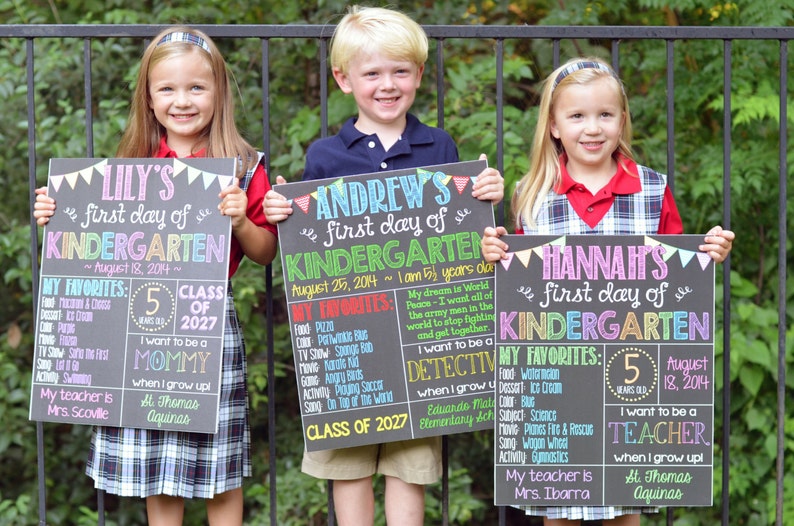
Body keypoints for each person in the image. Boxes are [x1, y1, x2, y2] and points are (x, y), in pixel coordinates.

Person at [264, 6, 503, 525]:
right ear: (344, 79)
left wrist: (486, 196)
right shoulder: (325, 156)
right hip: (346, 344)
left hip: (420, 339)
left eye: (400, 71)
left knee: (409, 471)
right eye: (372, 73)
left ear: (419, 75)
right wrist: (282, 213)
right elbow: (308, 248)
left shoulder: (440, 146)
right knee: (347, 471)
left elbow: (467, 239)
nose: (387, 85)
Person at [33, 26, 278, 526]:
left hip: (206, 324)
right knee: (158, 472)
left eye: (196, 87)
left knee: (218, 467)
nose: (182, 101)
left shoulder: (244, 166)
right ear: (148, 98)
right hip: (135, 327)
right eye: (167, 88)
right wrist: (58, 214)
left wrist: (239, 220)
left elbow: (266, 252)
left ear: (219, 92)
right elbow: (91, 245)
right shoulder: (129, 168)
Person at [481, 57, 734, 525]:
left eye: (605, 114)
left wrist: (710, 251)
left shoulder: (652, 189)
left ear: (622, 120)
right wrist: (496, 253)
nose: (592, 128)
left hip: (631, 375)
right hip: (556, 376)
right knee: (559, 511)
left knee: (623, 507)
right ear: (554, 126)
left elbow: (679, 271)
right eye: (577, 116)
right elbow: (516, 289)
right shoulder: (530, 195)